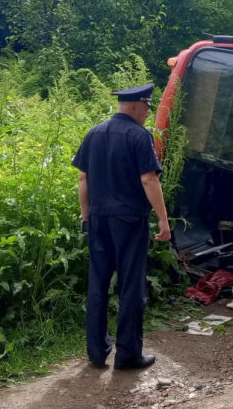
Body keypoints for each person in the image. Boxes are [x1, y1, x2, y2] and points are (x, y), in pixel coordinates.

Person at [72, 83, 172, 370]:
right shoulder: (140, 136)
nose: (147, 113)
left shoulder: (94, 133)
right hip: (128, 220)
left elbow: (83, 178)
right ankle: (127, 354)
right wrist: (163, 218)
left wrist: (85, 215)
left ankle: (96, 352)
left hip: (98, 218)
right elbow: (148, 179)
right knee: (130, 285)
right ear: (135, 106)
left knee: (98, 284)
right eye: (146, 108)